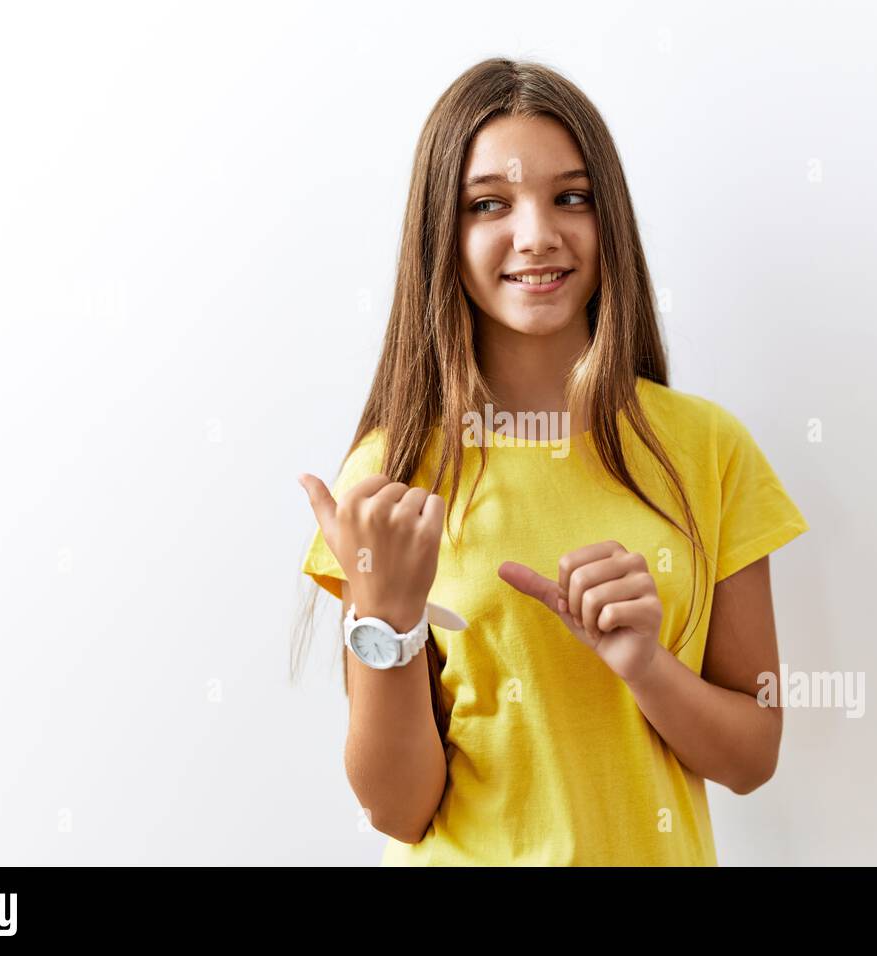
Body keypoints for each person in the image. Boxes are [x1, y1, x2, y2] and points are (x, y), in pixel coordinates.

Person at [292, 57, 809, 866]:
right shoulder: (389, 472)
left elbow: (753, 756)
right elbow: (397, 810)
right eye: (488, 204)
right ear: (442, 236)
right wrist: (384, 622)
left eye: (571, 197)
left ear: (610, 222)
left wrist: (646, 666)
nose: (537, 233)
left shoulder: (709, 449)